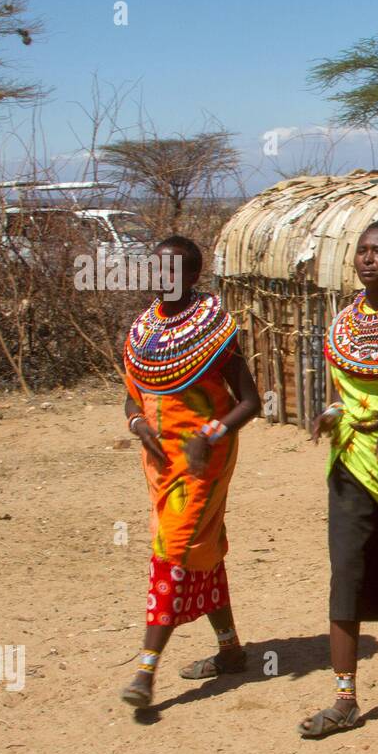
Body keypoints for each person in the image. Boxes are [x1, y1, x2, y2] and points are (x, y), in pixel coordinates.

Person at [120, 236, 262, 708]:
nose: (162, 279)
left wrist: (210, 434)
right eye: (155, 269)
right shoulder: (143, 330)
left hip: (205, 460)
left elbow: (250, 402)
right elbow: (133, 397)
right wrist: (139, 425)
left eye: (173, 271)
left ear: (193, 276)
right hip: (160, 463)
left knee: (173, 549)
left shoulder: (214, 329)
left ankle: (146, 669)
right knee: (203, 550)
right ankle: (230, 649)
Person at [299, 221, 378, 738]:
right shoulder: (343, 321)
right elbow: (340, 390)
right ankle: (345, 696)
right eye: (362, 251)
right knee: (345, 571)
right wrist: (330, 410)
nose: (369, 259)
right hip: (351, 460)